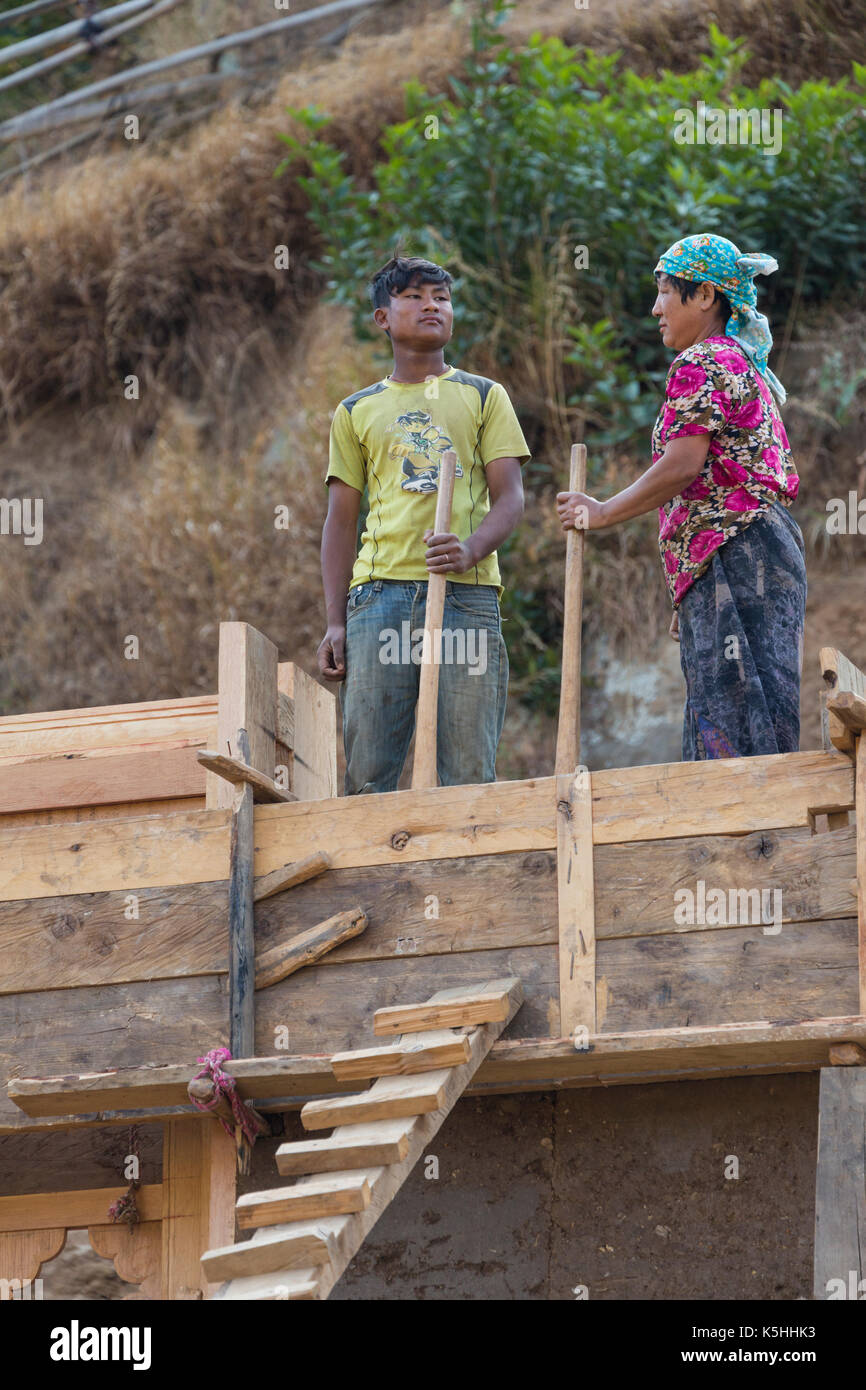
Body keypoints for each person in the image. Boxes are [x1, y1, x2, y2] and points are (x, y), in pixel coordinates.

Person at [556, 232, 805, 759]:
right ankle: (755, 836)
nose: (655, 308)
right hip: (752, 552)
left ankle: (746, 840)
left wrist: (602, 511)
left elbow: (683, 465)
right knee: (754, 711)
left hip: (739, 550)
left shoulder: (704, 361)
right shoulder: (738, 362)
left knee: (732, 724)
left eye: (667, 291)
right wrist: (691, 581)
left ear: (706, 296)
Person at [318, 255, 530, 793]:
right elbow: (341, 521)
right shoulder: (356, 410)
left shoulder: (484, 396)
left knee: (467, 776)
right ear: (382, 318)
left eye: (441, 297)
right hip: (378, 598)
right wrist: (336, 621)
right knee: (369, 774)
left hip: (467, 596)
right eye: (413, 296)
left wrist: (471, 549)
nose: (432, 305)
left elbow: (511, 498)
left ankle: (467, 873)